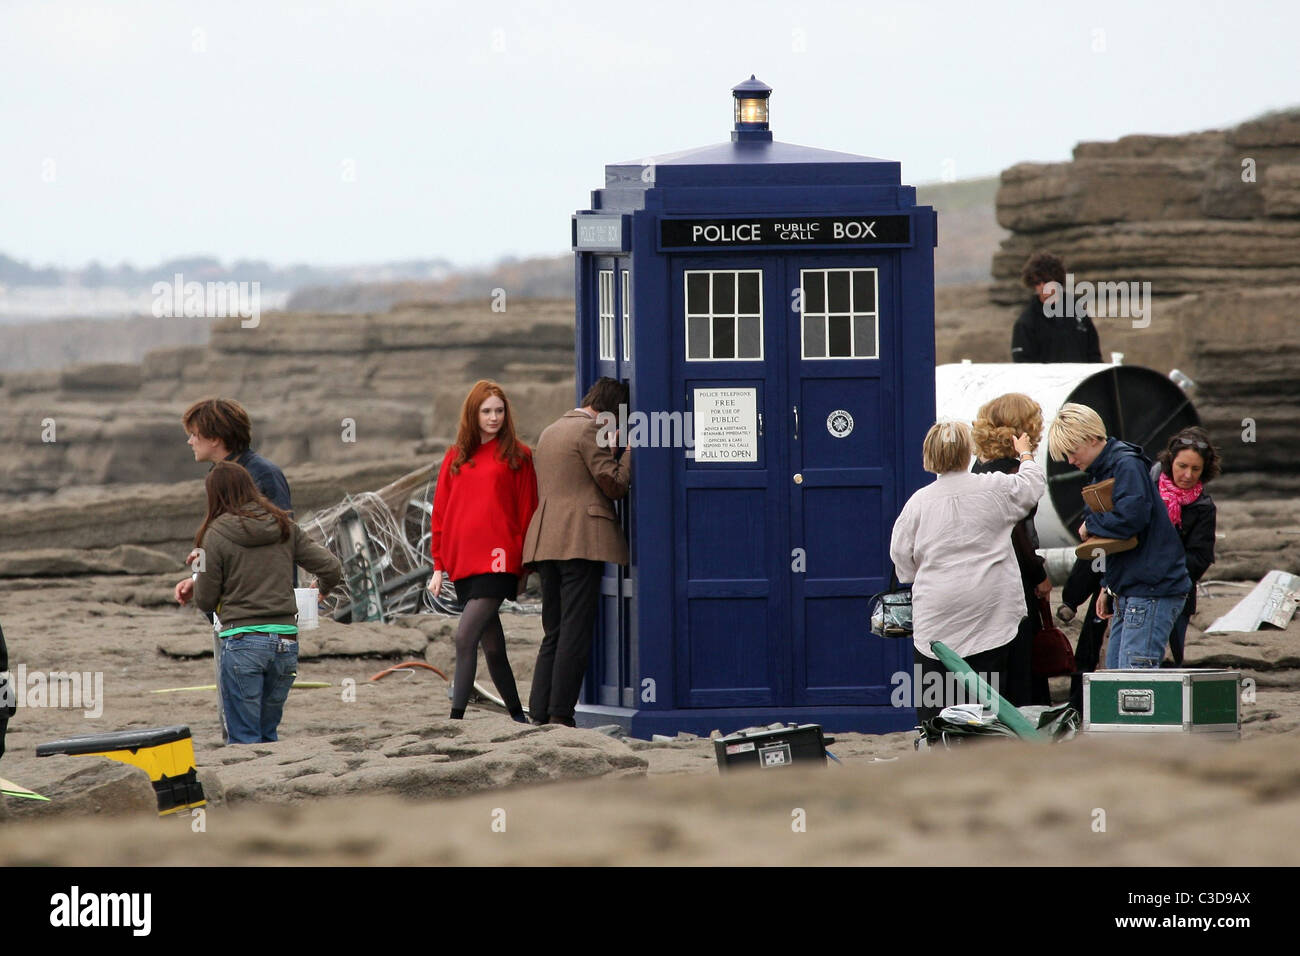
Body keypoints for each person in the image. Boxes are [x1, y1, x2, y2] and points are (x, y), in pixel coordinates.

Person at [889, 420, 1044, 724]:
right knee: (989, 701)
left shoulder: (917, 504)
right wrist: (1024, 454)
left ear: (928, 456)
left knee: (938, 706)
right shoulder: (994, 487)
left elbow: (901, 560)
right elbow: (1032, 486)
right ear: (968, 451)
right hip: (991, 614)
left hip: (937, 619)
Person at [184, 461, 343, 744]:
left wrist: (201, 573)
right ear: (250, 487)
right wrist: (322, 590)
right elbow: (331, 567)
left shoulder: (213, 536)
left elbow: (205, 599)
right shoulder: (285, 525)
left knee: (244, 739)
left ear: (214, 495)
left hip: (242, 640)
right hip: (286, 644)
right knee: (268, 735)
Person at [523, 377, 631, 727]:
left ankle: (539, 712)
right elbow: (612, 483)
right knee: (575, 629)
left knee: (553, 630)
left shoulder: (552, 429)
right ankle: (560, 713)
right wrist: (629, 449)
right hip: (579, 541)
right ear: (611, 412)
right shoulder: (590, 430)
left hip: (545, 540)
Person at [1047, 403, 1190, 669]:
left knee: (1133, 682)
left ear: (1092, 439)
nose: (1070, 461)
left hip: (1150, 590)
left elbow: (1130, 519)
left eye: (1071, 451)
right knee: (1116, 679)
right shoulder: (1110, 468)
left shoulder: (1125, 465)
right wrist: (1109, 586)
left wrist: (1090, 524)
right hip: (1132, 587)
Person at [427, 381, 538, 723]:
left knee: (464, 637)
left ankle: (455, 720)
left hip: (499, 561)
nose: (494, 418)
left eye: (499, 411)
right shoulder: (455, 456)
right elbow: (441, 511)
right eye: (486, 411)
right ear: (473, 414)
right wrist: (438, 565)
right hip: (464, 564)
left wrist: (523, 569)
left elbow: (528, 512)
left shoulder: (519, 456)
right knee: (492, 646)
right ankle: (518, 717)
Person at [971, 393, 1053, 707]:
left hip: (984, 574)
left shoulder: (979, 466)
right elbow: (1016, 531)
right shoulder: (1012, 472)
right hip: (1015, 575)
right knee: (1022, 663)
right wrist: (1038, 574)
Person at [176, 398, 293, 607]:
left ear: (214, 438)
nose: (190, 441)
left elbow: (283, 534)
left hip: (262, 603)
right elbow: (224, 537)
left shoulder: (263, 473)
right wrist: (198, 579)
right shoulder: (218, 475)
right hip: (236, 602)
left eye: (194, 434)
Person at [1151, 427, 1220, 666]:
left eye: (1196, 469)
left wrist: (1161, 569)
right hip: (1136, 589)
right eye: (1182, 466)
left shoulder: (1203, 507)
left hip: (1177, 595)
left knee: (1169, 663)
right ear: (1171, 462)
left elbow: (1200, 558)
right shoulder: (1149, 490)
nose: (1188, 475)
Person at [1011, 252, 1102, 363]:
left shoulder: (1078, 312)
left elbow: (1094, 354)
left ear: (1058, 278)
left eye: (1047, 280)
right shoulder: (1026, 322)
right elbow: (1023, 364)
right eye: (1037, 282)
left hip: (1082, 379)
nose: (1042, 286)